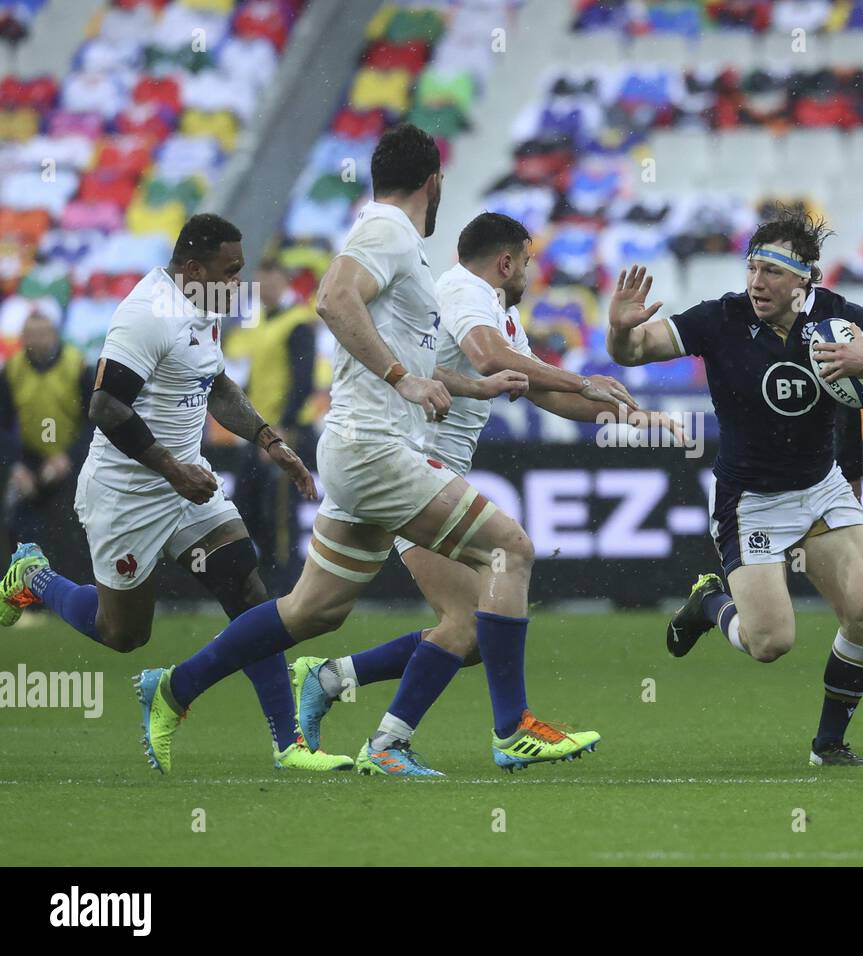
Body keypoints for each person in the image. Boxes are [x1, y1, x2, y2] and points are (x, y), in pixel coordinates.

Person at [130, 124, 604, 779]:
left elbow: (403, 350)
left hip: (359, 451)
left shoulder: (397, 242)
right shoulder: (386, 230)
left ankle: (176, 687)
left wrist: (468, 382)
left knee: (311, 610)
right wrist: (400, 378)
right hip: (377, 448)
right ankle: (511, 727)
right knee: (509, 550)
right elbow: (333, 298)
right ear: (433, 182)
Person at [288, 212, 678, 766]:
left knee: (459, 628)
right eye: (527, 262)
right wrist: (584, 380)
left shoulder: (498, 316)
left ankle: (335, 683)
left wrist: (629, 414)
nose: (530, 274)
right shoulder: (463, 291)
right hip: (407, 470)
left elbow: (546, 394)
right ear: (506, 260)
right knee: (502, 565)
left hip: (418, 473)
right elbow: (489, 359)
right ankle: (490, 731)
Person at [0, 214, 351, 772]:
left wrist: (267, 439)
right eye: (229, 271)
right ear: (193, 268)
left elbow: (213, 383)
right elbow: (106, 407)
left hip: (185, 482)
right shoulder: (144, 316)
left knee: (245, 584)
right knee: (123, 634)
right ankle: (34, 577)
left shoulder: (202, 304)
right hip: (127, 491)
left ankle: (291, 745)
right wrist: (171, 469)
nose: (237, 285)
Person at [606, 208, 863, 767]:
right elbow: (633, 352)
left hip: (820, 487)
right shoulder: (720, 319)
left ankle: (829, 745)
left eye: (772, 272)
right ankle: (710, 603)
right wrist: (619, 327)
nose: (757, 282)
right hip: (750, 500)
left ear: (806, 278)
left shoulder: (842, 320)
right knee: (770, 644)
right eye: (752, 268)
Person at [227, 258, 319, 592]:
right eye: (259, 282)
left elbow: (303, 380)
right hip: (259, 432)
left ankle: (288, 587)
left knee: (281, 515)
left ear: (285, 281)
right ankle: (269, 576)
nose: (263, 288)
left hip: (283, 434)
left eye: (270, 281)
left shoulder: (298, 323)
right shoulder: (261, 324)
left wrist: (283, 428)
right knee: (246, 507)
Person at [0, 311, 95, 592]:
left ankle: (87, 592)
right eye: (32, 335)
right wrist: (17, 467)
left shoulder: (76, 365)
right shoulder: (12, 370)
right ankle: (29, 596)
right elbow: (3, 423)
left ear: (54, 335)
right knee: (19, 523)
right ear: (23, 338)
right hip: (31, 459)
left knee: (81, 528)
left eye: (44, 334)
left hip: (74, 455)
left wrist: (68, 457)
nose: (38, 341)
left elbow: (93, 420)